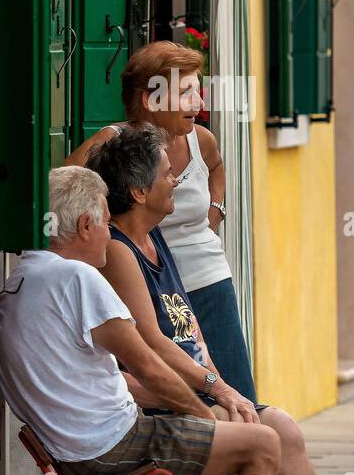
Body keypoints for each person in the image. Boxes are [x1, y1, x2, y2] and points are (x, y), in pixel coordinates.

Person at [85, 125, 354, 475]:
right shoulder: (119, 250)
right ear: (138, 191)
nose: (176, 177)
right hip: (151, 396)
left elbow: (188, 330)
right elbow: (152, 344)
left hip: (188, 388)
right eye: (165, 172)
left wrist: (221, 386)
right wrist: (217, 389)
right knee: (251, 432)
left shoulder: (153, 239)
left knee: (282, 426)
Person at [0, 165, 316, 475]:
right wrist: (204, 414)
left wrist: (199, 412)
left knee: (245, 434)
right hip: (109, 448)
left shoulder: (25, 279)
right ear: (85, 226)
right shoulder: (77, 280)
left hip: (79, 451)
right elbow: (147, 364)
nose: (109, 233)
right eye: (105, 221)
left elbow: (107, 379)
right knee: (263, 444)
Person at [64, 41, 255, 405]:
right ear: (150, 97)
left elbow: (216, 168)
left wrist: (216, 210)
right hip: (150, 289)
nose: (198, 104)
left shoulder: (201, 140)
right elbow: (63, 185)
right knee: (180, 397)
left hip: (207, 278)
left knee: (237, 390)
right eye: (185, 93)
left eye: (197, 92)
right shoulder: (116, 143)